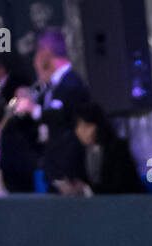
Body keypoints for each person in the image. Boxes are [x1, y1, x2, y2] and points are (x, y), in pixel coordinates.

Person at [13, 28, 90, 192]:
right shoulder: (52, 87)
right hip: (55, 169)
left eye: (38, 52)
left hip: (69, 172)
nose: (35, 60)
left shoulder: (70, 82)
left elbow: (60, 117)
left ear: (45, 53)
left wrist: (33, 109)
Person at [56, 102, 145, 195]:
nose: (81, 131)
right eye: (78, 127)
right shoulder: (78, 151)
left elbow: (121, 185)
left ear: (99, 125)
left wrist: (87, 189)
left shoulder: (118, 148)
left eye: (87, 126)